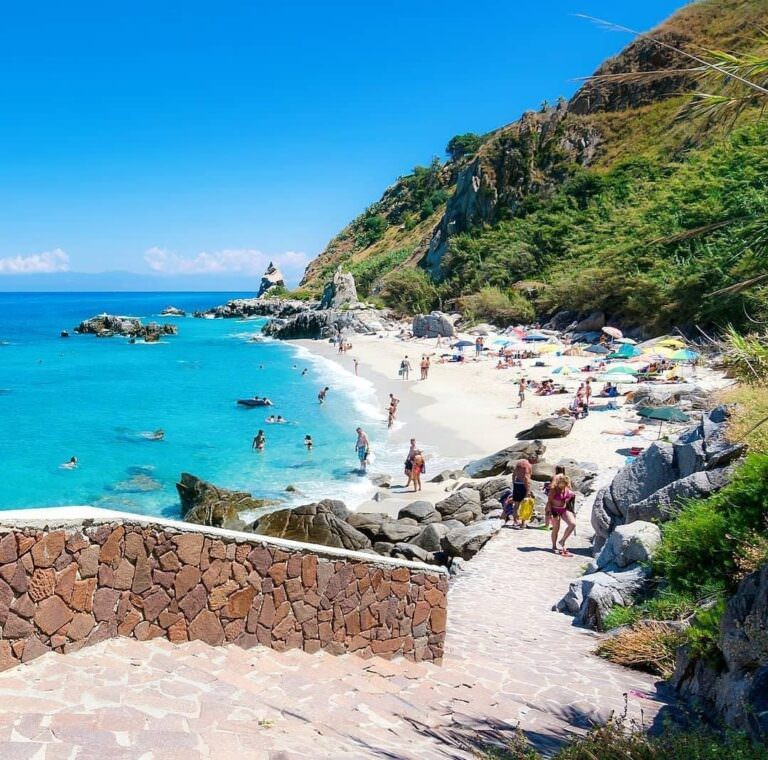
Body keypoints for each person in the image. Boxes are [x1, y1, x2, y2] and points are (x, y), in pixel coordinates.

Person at [548, 474, 577, 556]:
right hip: (554, 510)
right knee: (556, 528)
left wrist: (571, 509)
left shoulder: (567, 489)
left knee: (572, 524)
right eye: (561, 483)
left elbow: (568, 499)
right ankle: (554, 546)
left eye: (564, 483)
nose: (562, 485)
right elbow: (549, 501)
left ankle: (562, 540)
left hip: (563, 509)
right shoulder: (554, 490)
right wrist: (550, 512)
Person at [504, 458, 532, 528]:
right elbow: (526, 478)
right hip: (523, 485)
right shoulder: (528, 465)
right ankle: (523, 523)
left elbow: (513, 475)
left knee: (516, 505)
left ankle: (515, 521)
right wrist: (528, 490)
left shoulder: (518, 465)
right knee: (524, 505)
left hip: (517, 484)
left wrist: (514, 484)